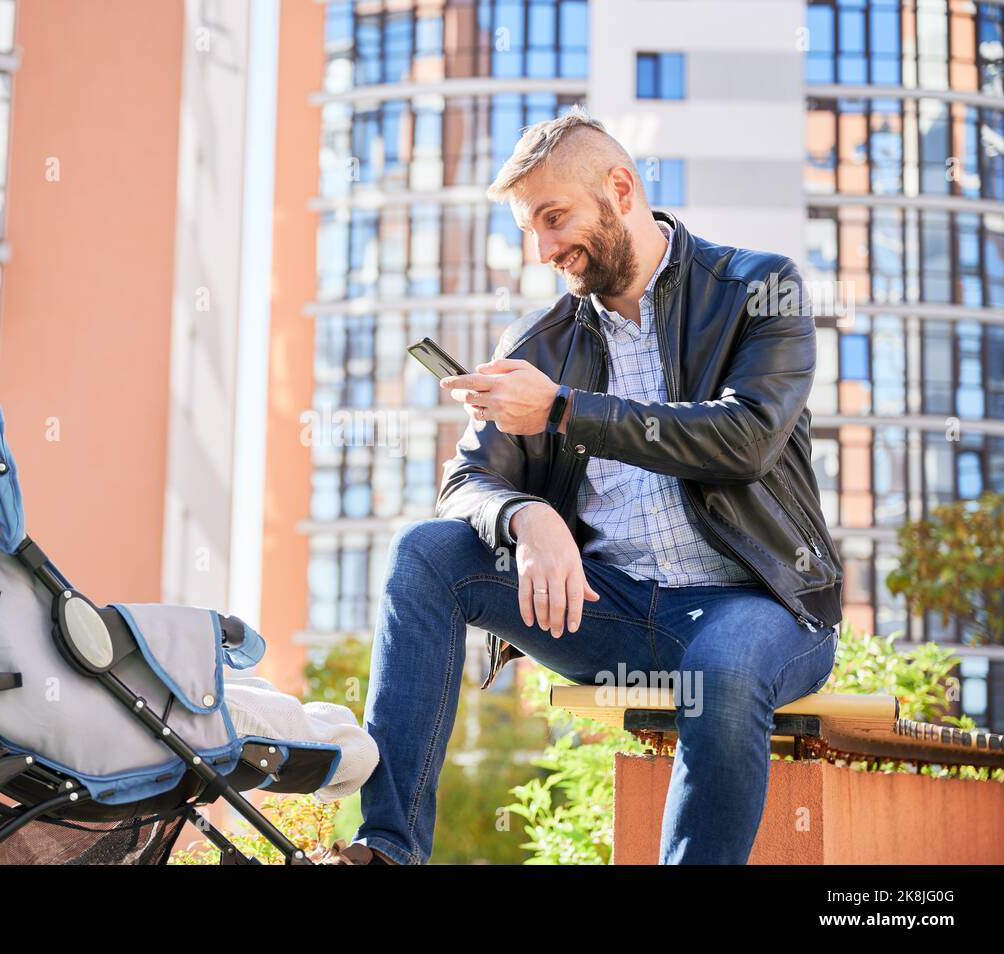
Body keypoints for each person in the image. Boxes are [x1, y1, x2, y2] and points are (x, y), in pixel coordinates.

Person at [317, 106, 843, 866]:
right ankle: (388, 849)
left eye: (554, 218)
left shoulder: (758, 289)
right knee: (424, 555)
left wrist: (564, 410)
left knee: (721, 674)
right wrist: (527, 515)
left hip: (762, 604)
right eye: (532, 229)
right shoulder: (540, 342)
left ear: (621, 188)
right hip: (614, 611)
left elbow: (745, 439)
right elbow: (469, 479)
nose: (545, 249)